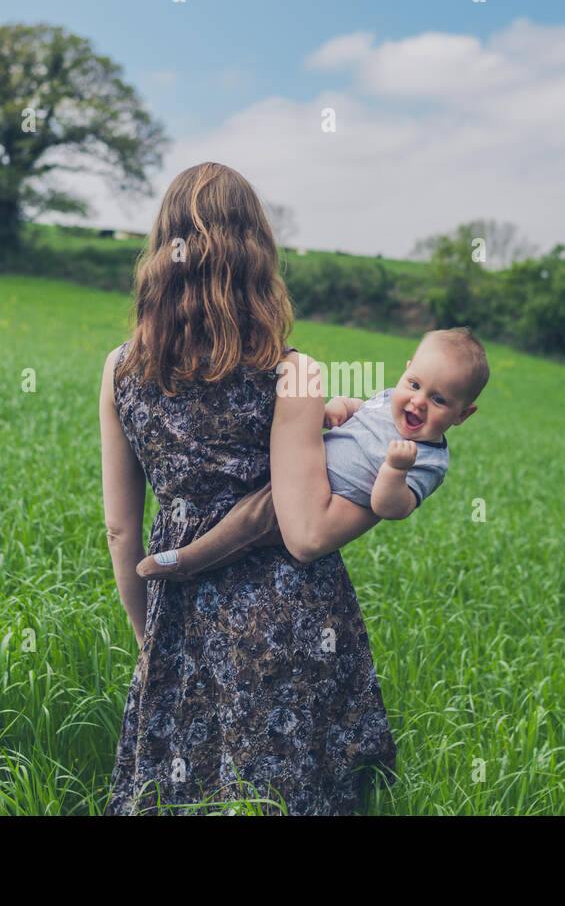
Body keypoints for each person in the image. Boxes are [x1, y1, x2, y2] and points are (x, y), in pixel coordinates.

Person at [99, 161, 397, 815]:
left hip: (179, 609)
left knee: (176, 797)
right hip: (290, 619)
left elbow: (121, 527)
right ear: (256, 254)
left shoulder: (122, 368)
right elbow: (300, 525)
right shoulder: (291, 371)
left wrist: (151, 634)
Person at [134, 328, 486, 583]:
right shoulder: (390, 397)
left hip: (329, 499)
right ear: (407, 371)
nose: (418, 401)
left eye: (439, 400)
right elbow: (361, 408)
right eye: (415, 384)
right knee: (243, 493)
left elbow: (391, 508)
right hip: (307, 472)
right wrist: (338, 407)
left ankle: (184, 562)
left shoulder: (428, 459)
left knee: (251, 521)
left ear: (462, 415)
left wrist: (395, 469)